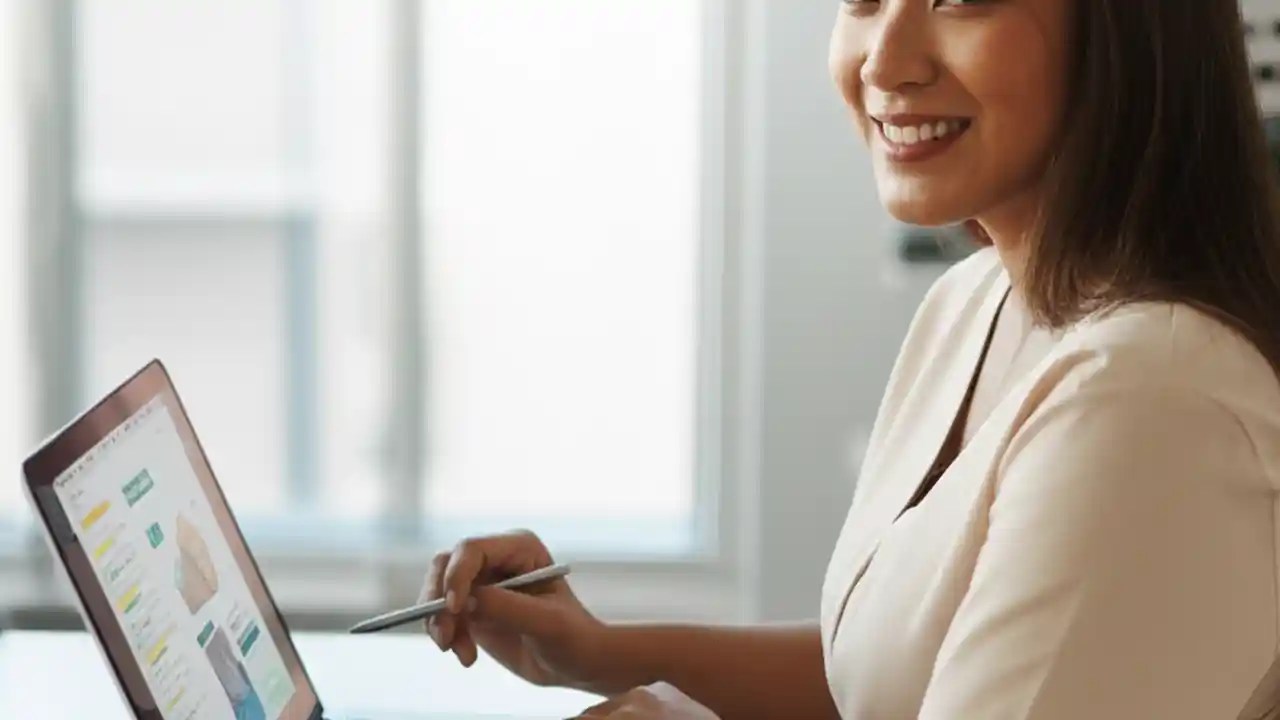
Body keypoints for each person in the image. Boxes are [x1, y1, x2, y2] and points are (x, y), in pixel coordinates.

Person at [420, 1, 1280, 718]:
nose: (887, 60)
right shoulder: (977, 298)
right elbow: (892, 680)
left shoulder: (1153, 400)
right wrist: (606, 653)